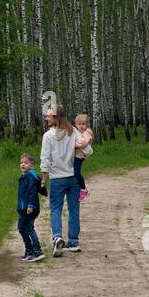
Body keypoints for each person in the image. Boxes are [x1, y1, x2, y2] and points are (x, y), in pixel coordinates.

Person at [39, 103, 82, 256]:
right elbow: (88, 150)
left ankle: (57, 238)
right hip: (73, 178)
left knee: (55, 209)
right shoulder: (74, 132)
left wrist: (43, 182)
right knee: (74, 209)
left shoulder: (48, 136)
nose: (46, 118)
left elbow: (45, 161)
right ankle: (74, 242)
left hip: (57, 179)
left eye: (49, 115)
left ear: (56, 118)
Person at [16, 154, 45, 262]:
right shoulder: (25, 176)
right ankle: (29, 250)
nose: (23, 164)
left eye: (26, 163)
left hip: (29, 209)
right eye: (22, 162)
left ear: (32, 166)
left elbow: (32, 192)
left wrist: (30, 206)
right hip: (23, 208)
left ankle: (37, 251)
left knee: (28, 228)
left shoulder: (29, 176)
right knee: (22, 228)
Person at [74, 113, 95, 202]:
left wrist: (75, 145)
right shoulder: (77, 132)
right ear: (76, 125)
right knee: (73, 172)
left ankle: (83, 189)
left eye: (83, 124)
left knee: (76, 172)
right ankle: (77, 187)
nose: (81, 126)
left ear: (87, 125)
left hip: (80, 156)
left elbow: (84, 143)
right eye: (79, 124)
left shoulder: (87, 132)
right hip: (76, 155)